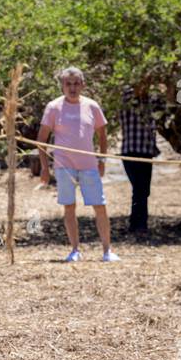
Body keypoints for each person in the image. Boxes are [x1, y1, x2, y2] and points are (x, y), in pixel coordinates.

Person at [37, 67, 119, 262]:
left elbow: (102, 135)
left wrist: (102, 160)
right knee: (69, 206)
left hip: (89, 164)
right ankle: (75, 250)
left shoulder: (92, 106)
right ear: (62, 86)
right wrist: (44, 168)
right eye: (68, 84)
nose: (72, 88)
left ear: (82, 85)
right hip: (64, 165)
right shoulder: (53, 107)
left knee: (100, 205)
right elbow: (41, 139)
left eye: (76, 83)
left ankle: (107, 251)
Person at [118, 82, 161, 235]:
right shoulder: (128, 98)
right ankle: (139, 225)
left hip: (144, 151)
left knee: (141, 190)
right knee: (140, 190)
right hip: (132, 151)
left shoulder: (151, 100)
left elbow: (166, 107)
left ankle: (137, 223)